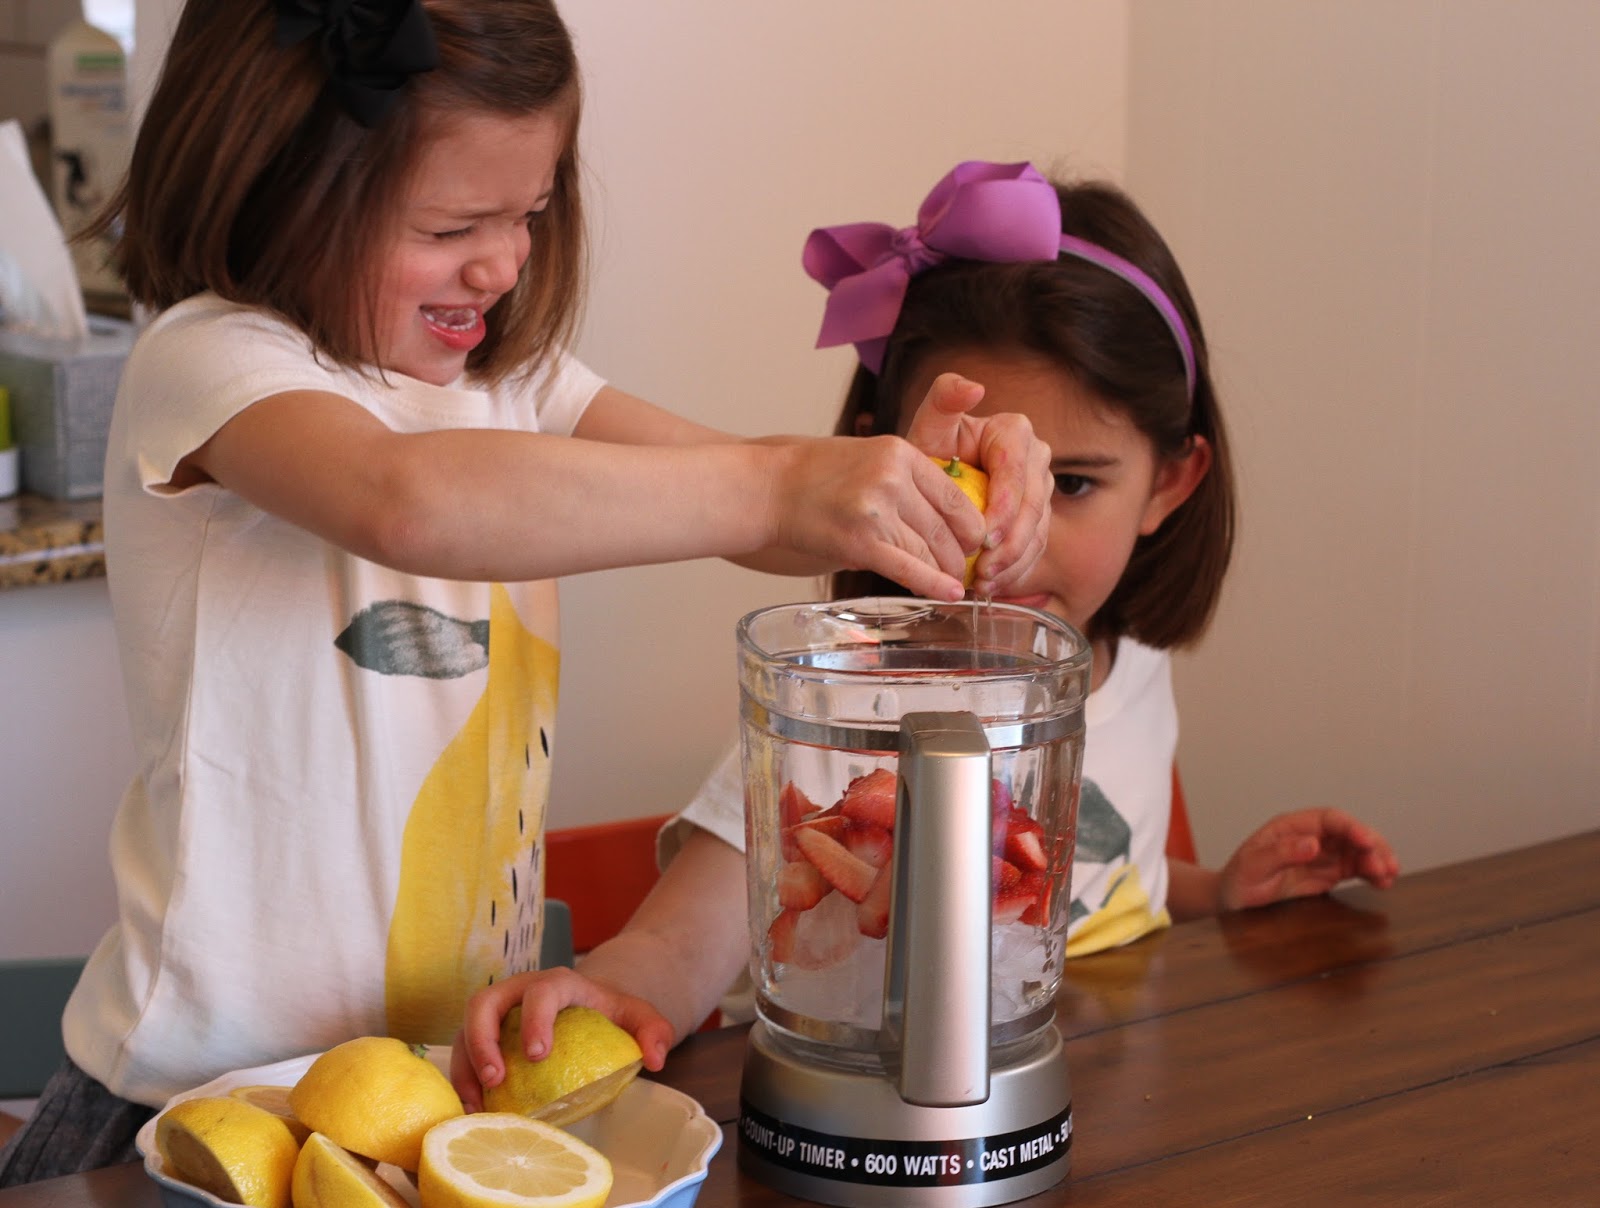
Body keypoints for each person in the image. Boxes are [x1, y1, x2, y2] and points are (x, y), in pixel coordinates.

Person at [0, 9, 1060, 1186]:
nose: (502, 264)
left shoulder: (524, 385)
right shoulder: (209, 361)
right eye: (452, 225)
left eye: (530, 215)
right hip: (199, 1118)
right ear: (277, 187)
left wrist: (908, 483)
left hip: (445, 1106)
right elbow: (406, 499)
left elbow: (741, 505)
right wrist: (783, 490)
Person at [453, 160, 1401, 1109]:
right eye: (966, 482)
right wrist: (616, 993)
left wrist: (1213, 895)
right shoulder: (846, 711)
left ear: (1169, 483)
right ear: (876, 468)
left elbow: (1103, 884)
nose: (1008, 536)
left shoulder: (1126, 666)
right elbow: (679, 946)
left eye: (1071, 484)